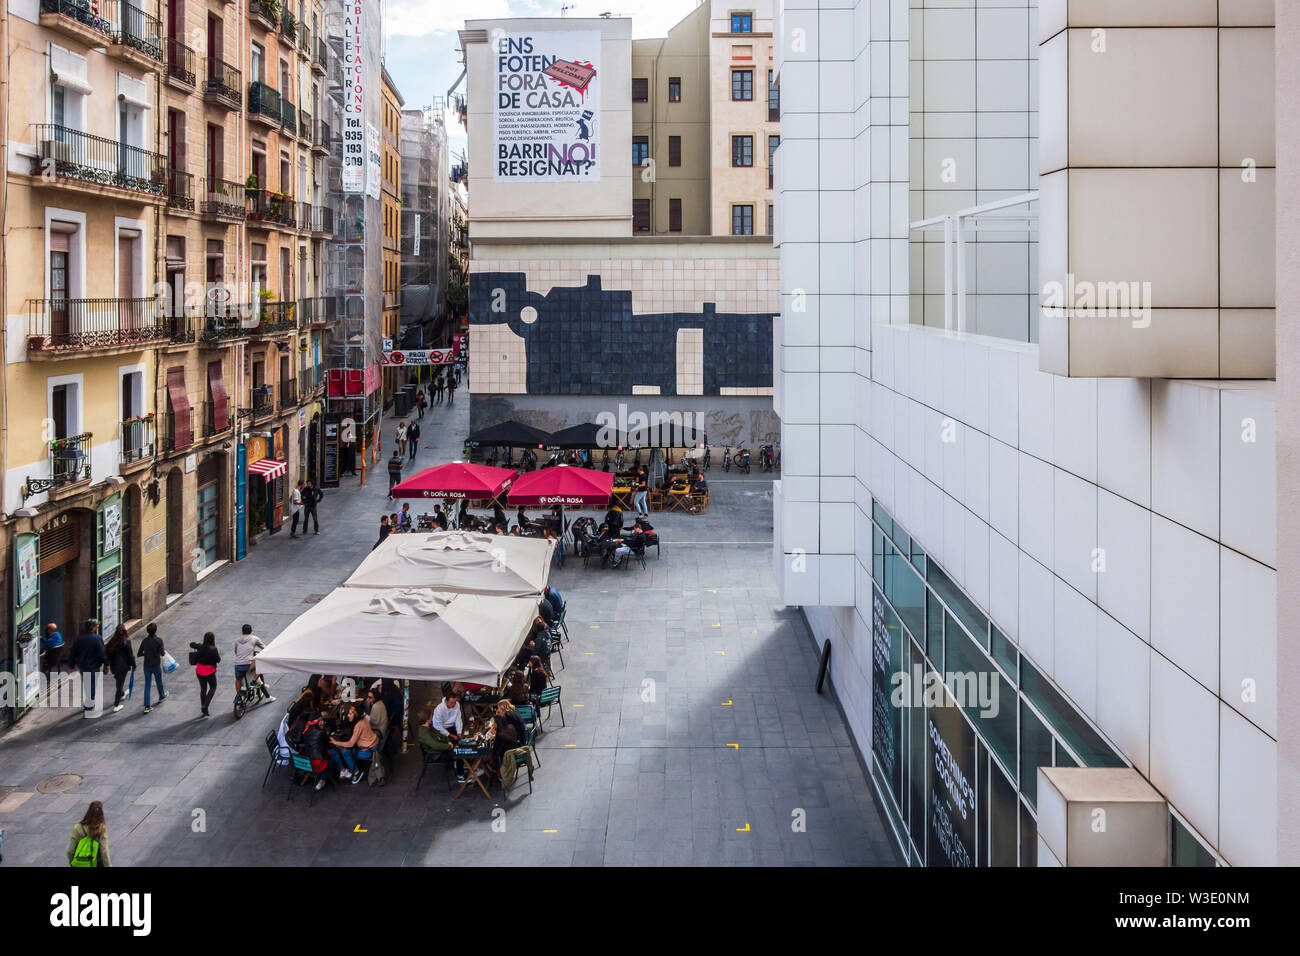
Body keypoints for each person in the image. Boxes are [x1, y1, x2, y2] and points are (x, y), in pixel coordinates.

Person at [329, 702, 379, 783]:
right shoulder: (363, 719)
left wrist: (336, 742)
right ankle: (351, 768)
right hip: (374, 744)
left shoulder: (358, 725)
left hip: (368, 751)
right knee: (348, 749)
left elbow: (351, 744)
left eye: (350, 714)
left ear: (355, 715)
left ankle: (357, 773)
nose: (348, 715)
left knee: (345, 752)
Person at [70, 619, 106, 718]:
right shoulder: (97, 638)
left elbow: (73, 653)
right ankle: (89, 706)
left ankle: (88, 703)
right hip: (93, 666)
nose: (98, 627)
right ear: (93, 627)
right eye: (97, 626)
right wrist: (106, 663)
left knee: (87, 684)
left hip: (82, 666)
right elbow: (102, 653)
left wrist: (71, 666)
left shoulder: (78, 639)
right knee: (92, 685)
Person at [67, 801, 111, 868]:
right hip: (96, 863)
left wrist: (72, 863)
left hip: (80, 863)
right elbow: (104, 851)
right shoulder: (101, 828)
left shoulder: (78, 827)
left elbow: (70, 851)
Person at [104, 624, 135, 713]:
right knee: (119, 684)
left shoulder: (112, 642)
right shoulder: (126, 642)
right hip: (123, 667)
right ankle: (116, 705)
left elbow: (107, 654)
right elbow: (130, 656)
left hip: (114, 667)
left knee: (119, 681)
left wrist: (107, 664)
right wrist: (134, 665)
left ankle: (122, 693)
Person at [298, 709, 331, 790]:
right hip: (317, 763)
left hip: (307, 761)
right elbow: (327, 744)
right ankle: (322, 780)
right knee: (332, 759)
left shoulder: (306, 730)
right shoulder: (321, 732)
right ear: (318, 721)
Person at [189, 632, 220, 718]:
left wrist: (196, 643)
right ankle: (205, 706)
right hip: (209, 672)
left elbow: (191, 644)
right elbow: (218, 660)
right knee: (213, 687)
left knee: (203, 689)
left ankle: (203, 706)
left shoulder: (200, 647)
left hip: (199, 671)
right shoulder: (213, 649)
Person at [138, 622, 167, 713]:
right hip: (156, 665)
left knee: (147, 685)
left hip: (147, 665)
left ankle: (147, 705)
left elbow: (139, 654)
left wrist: (146, 653)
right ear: (155, 630)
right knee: (158, 681)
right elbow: (162, 653)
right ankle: (161, 695)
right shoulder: (159, 640)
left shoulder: (144, 641)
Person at [233, 624, 269, 696]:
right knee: (260, 666)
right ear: (251, 631)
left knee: (238, 679)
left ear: (242, 631)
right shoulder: (254, 639)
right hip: (248, 664)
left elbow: (236, 651)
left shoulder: (237, 640)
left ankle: (238, 696)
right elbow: (265, 648)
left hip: (237, 664)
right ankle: (254, 681)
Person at [492, 698, 527, 768]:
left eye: (499, 709)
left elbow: (504, 732)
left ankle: (498, 765)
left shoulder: (508, 717)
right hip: (523, 738)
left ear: (503, 708)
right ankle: (496, 761)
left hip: (518, 743)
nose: (498, 710)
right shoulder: (513, 711)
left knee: (498, 744)